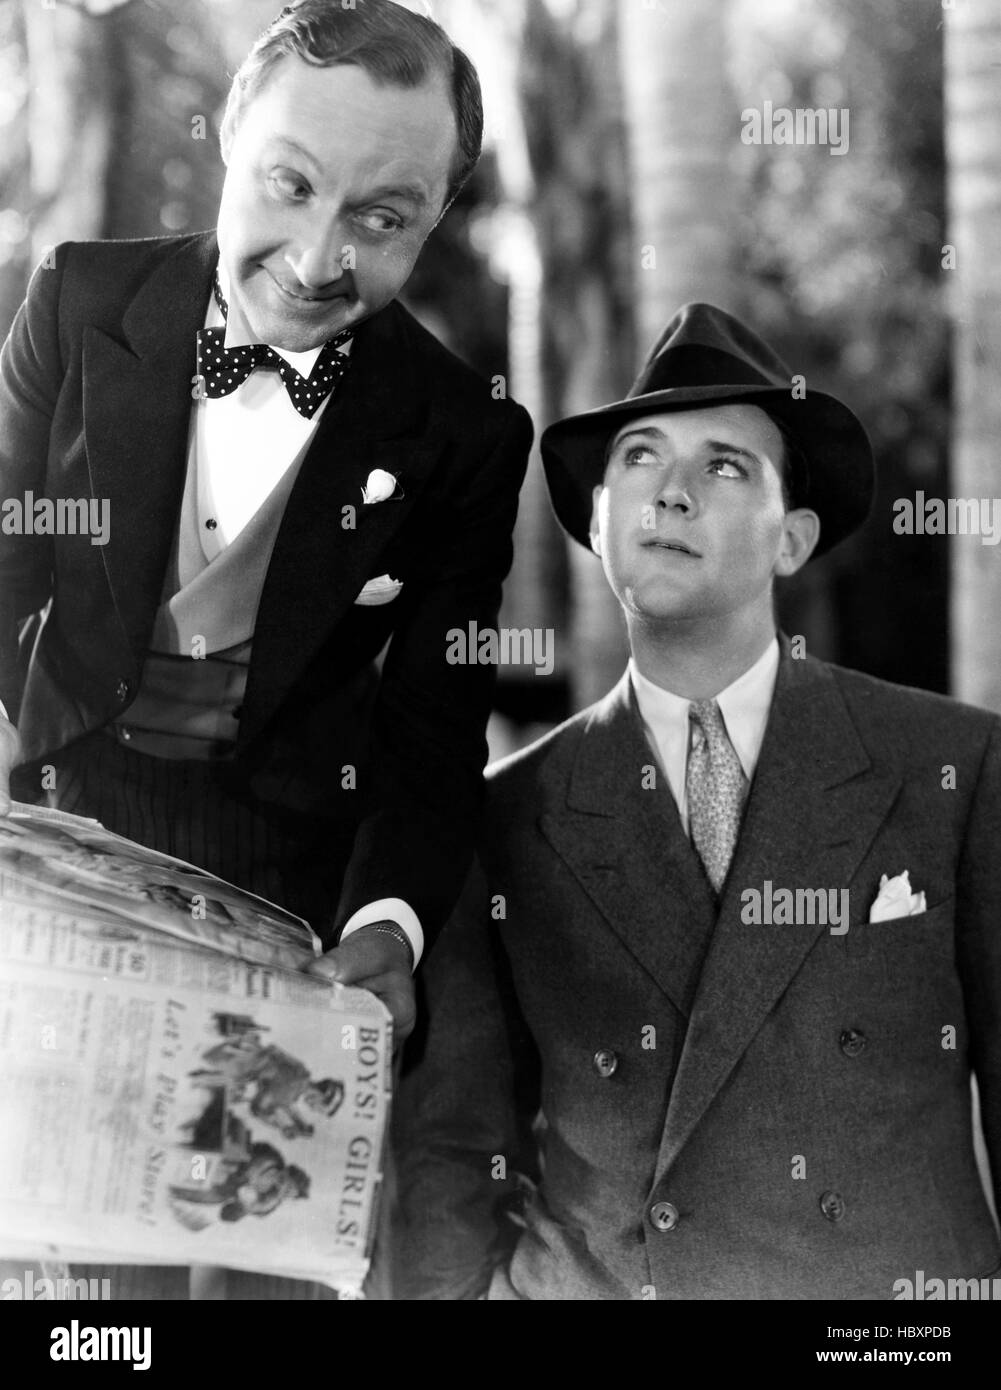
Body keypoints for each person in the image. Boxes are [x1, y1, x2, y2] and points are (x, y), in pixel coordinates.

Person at [0, 0, 531, 1300]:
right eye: (291, 183)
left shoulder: (463, 431)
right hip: (51, 871)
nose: (316, 253)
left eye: (382, 217)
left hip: (283, 918)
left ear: (435, 215)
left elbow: (429, 728)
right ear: (233, 133)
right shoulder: (79, 298)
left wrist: (391, 925)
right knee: (58, 1288)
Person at [392, 303, 1001, 1300]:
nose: (669, 492)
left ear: (791, 539)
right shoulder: (501, 818)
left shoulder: (949, 767)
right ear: (595, 521)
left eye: (724, 466)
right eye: (637, 457)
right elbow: (451, 1149)